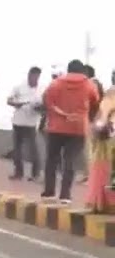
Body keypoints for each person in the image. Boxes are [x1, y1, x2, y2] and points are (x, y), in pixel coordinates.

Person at [41, 59, 100, 204]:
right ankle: (65, 195)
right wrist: (87, 117)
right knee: (70, 161)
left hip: (56, 127)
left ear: (68, 70)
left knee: (52, 159)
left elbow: (47, 101)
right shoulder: (89, 85)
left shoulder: (56, 84)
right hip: (78, 128)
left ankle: (49, 192)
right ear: (82, 71)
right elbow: (96, 103)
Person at [7, 66, 43, 181]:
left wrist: (39, 108)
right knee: (17, 149)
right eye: (32, 76)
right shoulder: (19, 87)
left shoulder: (41, 89)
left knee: (33, 149)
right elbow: (9, 100)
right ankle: (18, 173)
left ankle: (35, 174)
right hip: (18, 121)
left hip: (32, 123)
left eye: (36, 77)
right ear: (29, 75)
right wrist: (16, 103)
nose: (33, 79)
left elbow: (45, 105)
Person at [86, 84, 115, 214]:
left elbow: (100, 119)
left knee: (102, 170)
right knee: (106, 171)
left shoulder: (109, 96)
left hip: (106, 139)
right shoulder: (110, 96)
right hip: (109, 139)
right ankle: (105, 202)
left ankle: (100, 202)